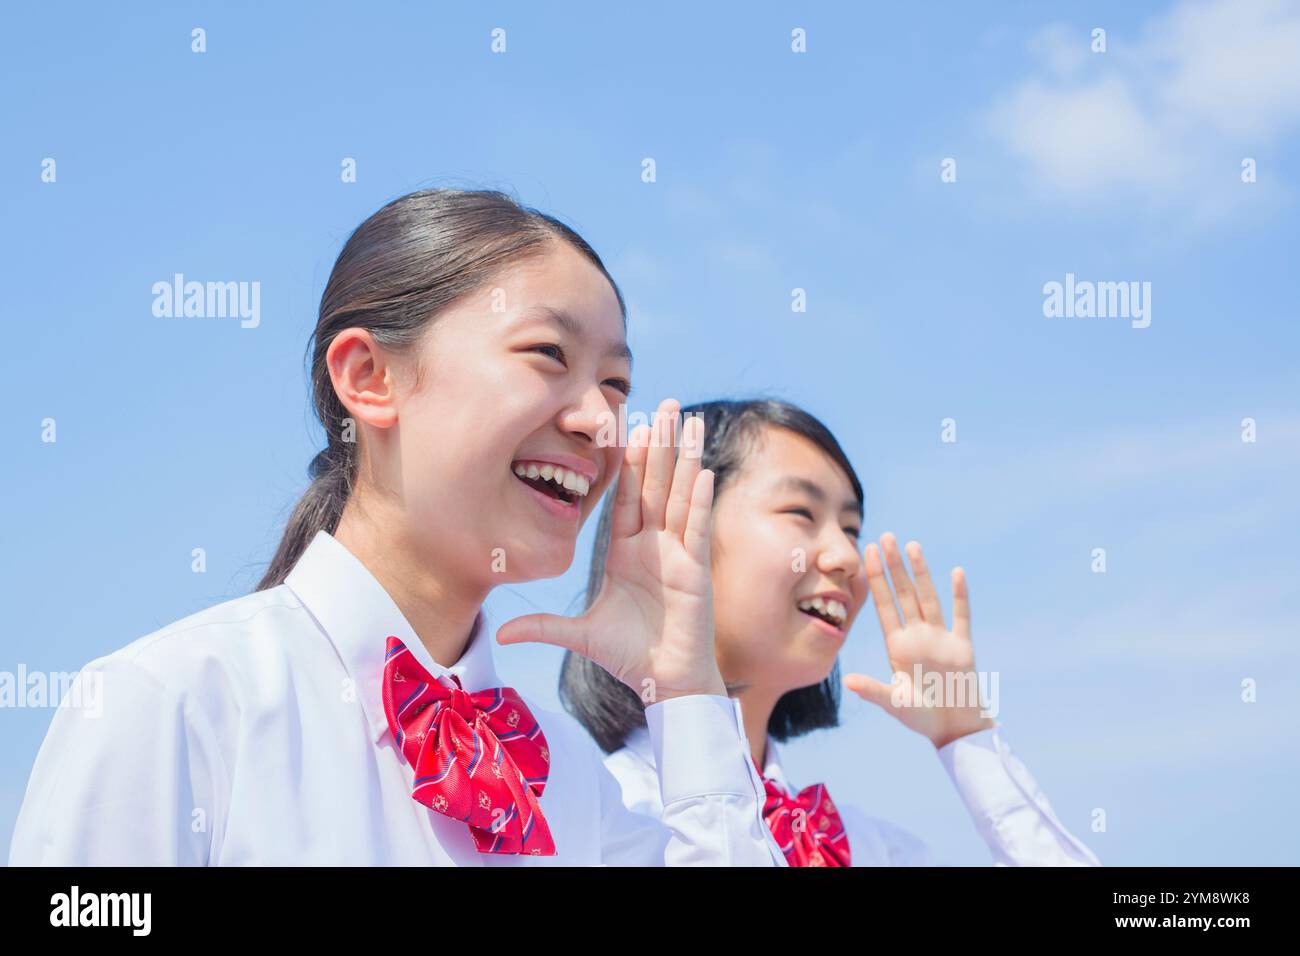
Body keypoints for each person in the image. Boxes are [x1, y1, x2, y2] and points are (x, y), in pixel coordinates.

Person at [9, 190, 782, 866]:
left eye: (616, 384)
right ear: (369, 378)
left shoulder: (569, 780)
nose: (597, 421)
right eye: (549, 354)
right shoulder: (175, 704)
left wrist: (685, 688)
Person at [561, 398, 1102, 866]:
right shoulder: (592, 811)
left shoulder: (869, 847)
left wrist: (966, 735)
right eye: (800, 511)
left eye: (851, 528)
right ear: (675, 526)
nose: (847, 556)